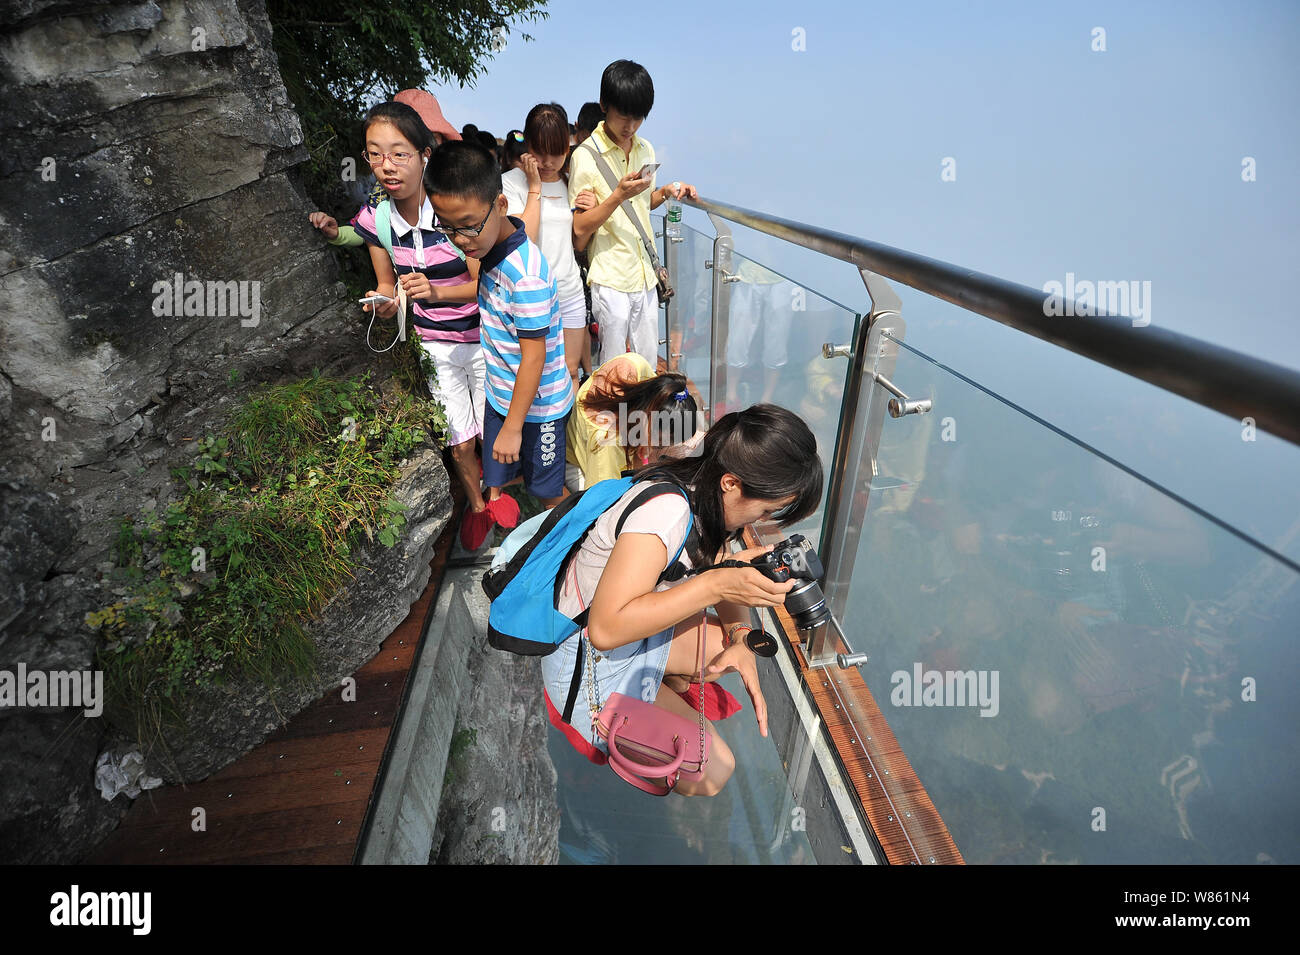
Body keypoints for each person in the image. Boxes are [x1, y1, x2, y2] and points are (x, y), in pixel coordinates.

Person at [541, 404, 823, 796]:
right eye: (766, 509)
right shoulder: (666, 513)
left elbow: (716, 562)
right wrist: (717, 588)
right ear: (731, 483)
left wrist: (741, 633)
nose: (760, 521)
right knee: (714, 772)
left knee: (725, 647)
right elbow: (605, 630)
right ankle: (602, 721)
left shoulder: (701, 488)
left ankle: (665, 683)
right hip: (586, 664)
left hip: (632, 637)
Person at [338, 102, 492, 552]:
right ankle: (480, 507)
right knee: (459, 440)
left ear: (425, 155)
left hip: (482, 339)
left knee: (490, 432)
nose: (387, 166)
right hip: (434, 345)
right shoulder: (377, 220)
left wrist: (437, 292)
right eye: (375, 154)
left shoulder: (451, 210)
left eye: (399, 154)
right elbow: (388, 285)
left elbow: (484, 284)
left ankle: (500, 495)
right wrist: (385, 303)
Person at [429, 140, 575, 522]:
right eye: (447, 228)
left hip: (539, 407)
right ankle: (511, 514)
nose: (460, 240)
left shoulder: (524, 276)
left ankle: (576, 532)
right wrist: (436, 292)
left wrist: (513, 428)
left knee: (547, 490)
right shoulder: (489, 249)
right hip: (502, 393)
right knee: (502, 467)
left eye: (468, 226)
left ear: (501, 205)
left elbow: (535, 355)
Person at [569, 60, 699, 367]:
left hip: (645, 271)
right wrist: (617, 196)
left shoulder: (645, 150)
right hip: (610, 275)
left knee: (647, 363)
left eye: (639, 117)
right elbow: (579, 232)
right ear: (604, 105)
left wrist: (664, 191)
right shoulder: (586, 157)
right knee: (614, 366)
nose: (630, 125)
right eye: (623, 115)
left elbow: (639, 207)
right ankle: (614, 416)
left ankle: (641, 416)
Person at [503, 103, 594, 397]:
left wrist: (587, 216)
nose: (547, 161)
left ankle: (569, 442)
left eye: (556, 152)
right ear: (528, 146)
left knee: (569, 372)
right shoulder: (511, 184)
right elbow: (523, 237)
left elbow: (578, 243)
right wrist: (534, 187)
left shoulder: (572, 184)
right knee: (534, 374)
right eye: (540, 151)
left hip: (569, 292)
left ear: (567, 149)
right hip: (530, 296)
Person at [565, 352, 700, 492]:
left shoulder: (633, 366)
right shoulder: (607, 442)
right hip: (582, 468)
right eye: (659, 442)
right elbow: (599, 501)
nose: (660, 447)